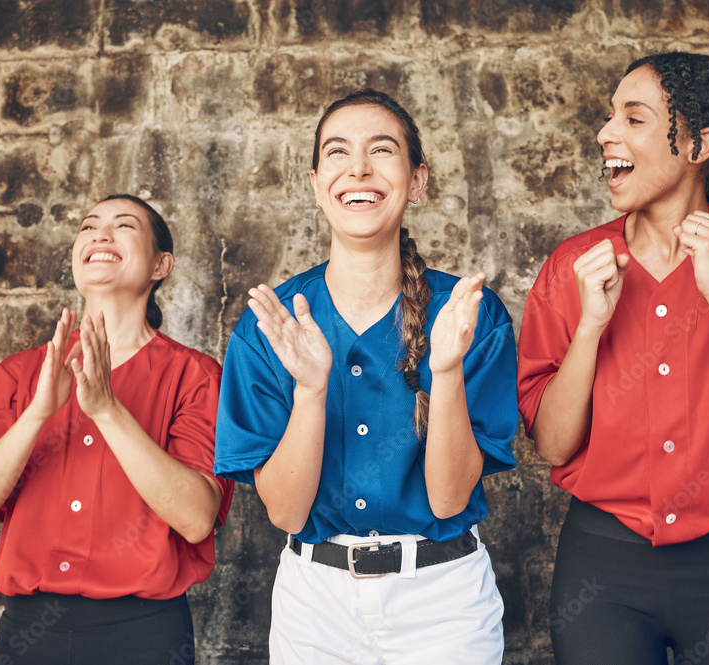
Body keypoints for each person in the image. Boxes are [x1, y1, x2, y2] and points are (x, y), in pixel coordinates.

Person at [516, 52, 709, 664]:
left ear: (698, 143)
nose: (606, 134)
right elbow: (552, 445)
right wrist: (590, 330)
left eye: (633, 118)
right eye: (610, 117)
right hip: (601, 566)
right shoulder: (571, 268)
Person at [214, 88, 518, 664]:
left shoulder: (469, 314)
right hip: (315, 602)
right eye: (337, 152)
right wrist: (310, 390)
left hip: (443, 599)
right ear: (314, 181)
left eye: (382, 150)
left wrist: (446, 371)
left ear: (418, 179)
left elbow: (450, 499)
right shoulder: (271, 325)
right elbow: (285, 513)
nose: (358, 168)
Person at [0, 194, 233, 665]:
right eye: (88, 227)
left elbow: (196, 517)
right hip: (27, 633)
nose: (101, 234)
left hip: (145, 633)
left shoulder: (196, 376)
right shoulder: (18, 374)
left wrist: (106, 409)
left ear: (161, 265)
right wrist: (38, 413)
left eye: (124, 225)